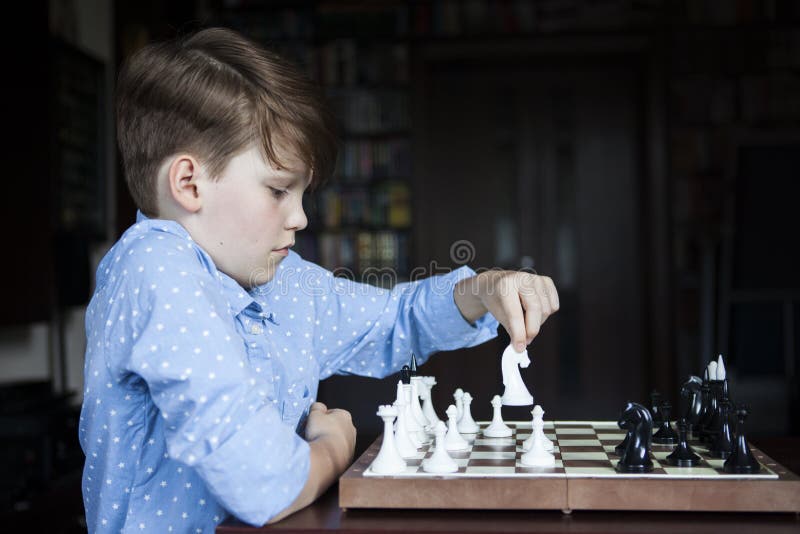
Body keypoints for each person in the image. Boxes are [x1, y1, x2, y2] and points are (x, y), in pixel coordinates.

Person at [79, 27, 559, 533]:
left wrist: (483, 288)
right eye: (279, 190)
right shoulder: (155, 267)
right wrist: (333, 449)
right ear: (189, 183)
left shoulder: (280, 281)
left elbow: (394, 320)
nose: (301, 219)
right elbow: (263, 484)